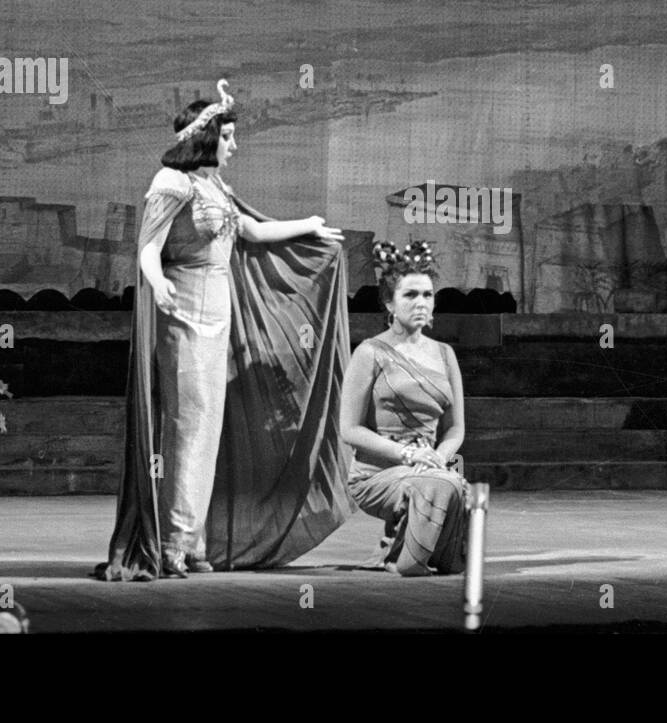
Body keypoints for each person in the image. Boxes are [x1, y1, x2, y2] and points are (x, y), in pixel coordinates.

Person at [96, 80, 354, 580]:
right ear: (206, 137)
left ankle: (191, 541)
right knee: (188, 431)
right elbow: (149, 247)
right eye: (229, 136)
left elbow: (253, 233)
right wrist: (156, 284)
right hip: (185, 319)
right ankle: (171, 542)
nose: (235, 145)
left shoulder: (216, 188)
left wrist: (309, 224)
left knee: (208, 432)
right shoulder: (172, 183)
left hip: (218, 322)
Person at [338, 241, 470, 575]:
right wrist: (407, 455)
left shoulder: (444, 354)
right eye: (410, 295)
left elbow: (455, 428)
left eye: (427, 295)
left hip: (430, 466)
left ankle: (430, 553)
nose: (421, 303)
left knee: (456, 486)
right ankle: (407, 559)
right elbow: (349, 429)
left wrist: (439, 457)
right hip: (377, 473)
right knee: (437, 486)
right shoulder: (370, 353)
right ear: (389, 303)